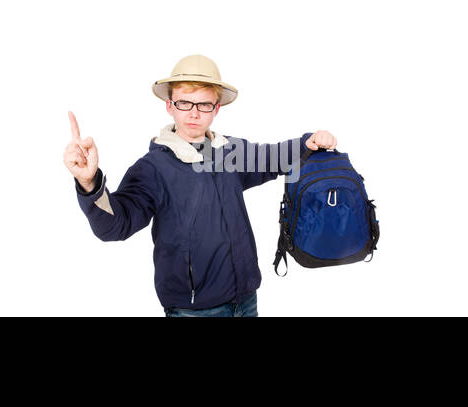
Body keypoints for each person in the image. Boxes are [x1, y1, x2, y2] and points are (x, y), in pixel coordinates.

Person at [63, 54, 337, 317]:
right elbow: (115, 225)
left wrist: (308, 142)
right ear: (170, 106)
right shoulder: (152, 168)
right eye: (184, 103)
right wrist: (89, 183)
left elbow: (272, 157)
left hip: (246, 301)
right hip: (192, 311)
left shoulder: (230, 152)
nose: (194, 113)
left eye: (204, 104)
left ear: (216, 109)